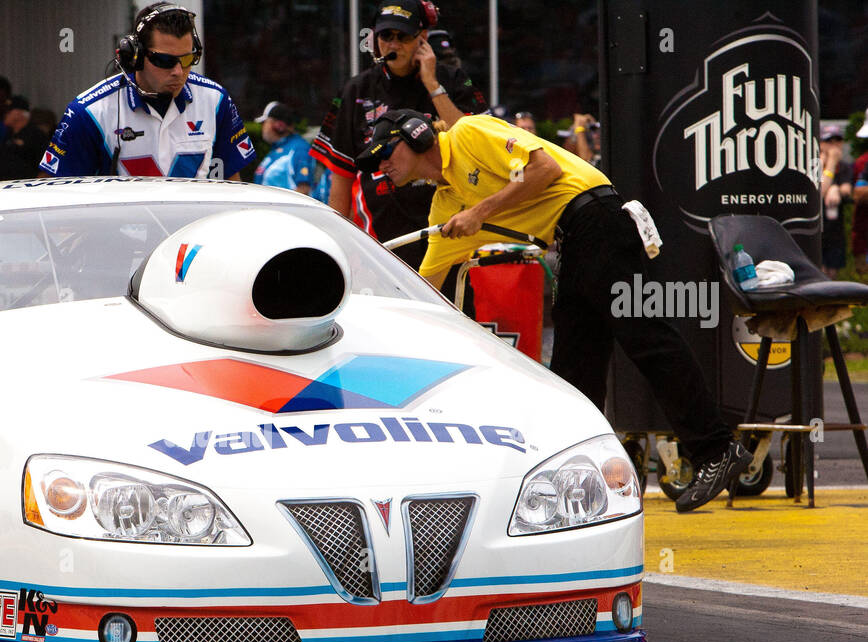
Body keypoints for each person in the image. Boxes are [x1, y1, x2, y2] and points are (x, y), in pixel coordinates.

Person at [356, 108, 751, 512]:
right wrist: (376, 321)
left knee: (647, 338)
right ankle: (581, 482)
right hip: (574, 240)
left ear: (417, 136)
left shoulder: (468, 134)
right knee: (575, 371)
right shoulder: (445, 207)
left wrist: (480, 211)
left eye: (385, 153)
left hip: (596, 220)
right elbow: (425, 284)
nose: (381, 166)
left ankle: (716, 449)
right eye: (375, 162)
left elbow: (544, 168)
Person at [309, 0, 486, 269]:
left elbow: (477, 141)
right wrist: (341, 245)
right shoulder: (356, 90)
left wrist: (432, 85)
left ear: (422, 38)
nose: (393, 45)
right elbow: (342, 176)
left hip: (451, 233)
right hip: (379, 244)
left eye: (402, 36)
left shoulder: (454, 80)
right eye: (385, 36)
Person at [40, 2, 254, 180]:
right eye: (164, 60)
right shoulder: (90, 112)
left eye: (189, 59)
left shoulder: (216, 101)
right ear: (135, 57)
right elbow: (54, 196)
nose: (178, 72)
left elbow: (232, 186)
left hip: (191, 231)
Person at [253, 101, 312, 194]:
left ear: (279, 125)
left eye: (264, 123)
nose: (262, 128)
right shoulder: (277, 149)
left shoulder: (299, 149)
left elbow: (304, 189)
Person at [820, 124, 853, 277]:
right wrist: (831, 163)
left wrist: (836, 189)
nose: (834, 146)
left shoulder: (845, 167)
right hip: (818, 227)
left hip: (834, 228)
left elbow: (847, 189)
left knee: (832, 272)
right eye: (829, 141)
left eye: (837, 141)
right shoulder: (816, 164)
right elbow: (820, 191)